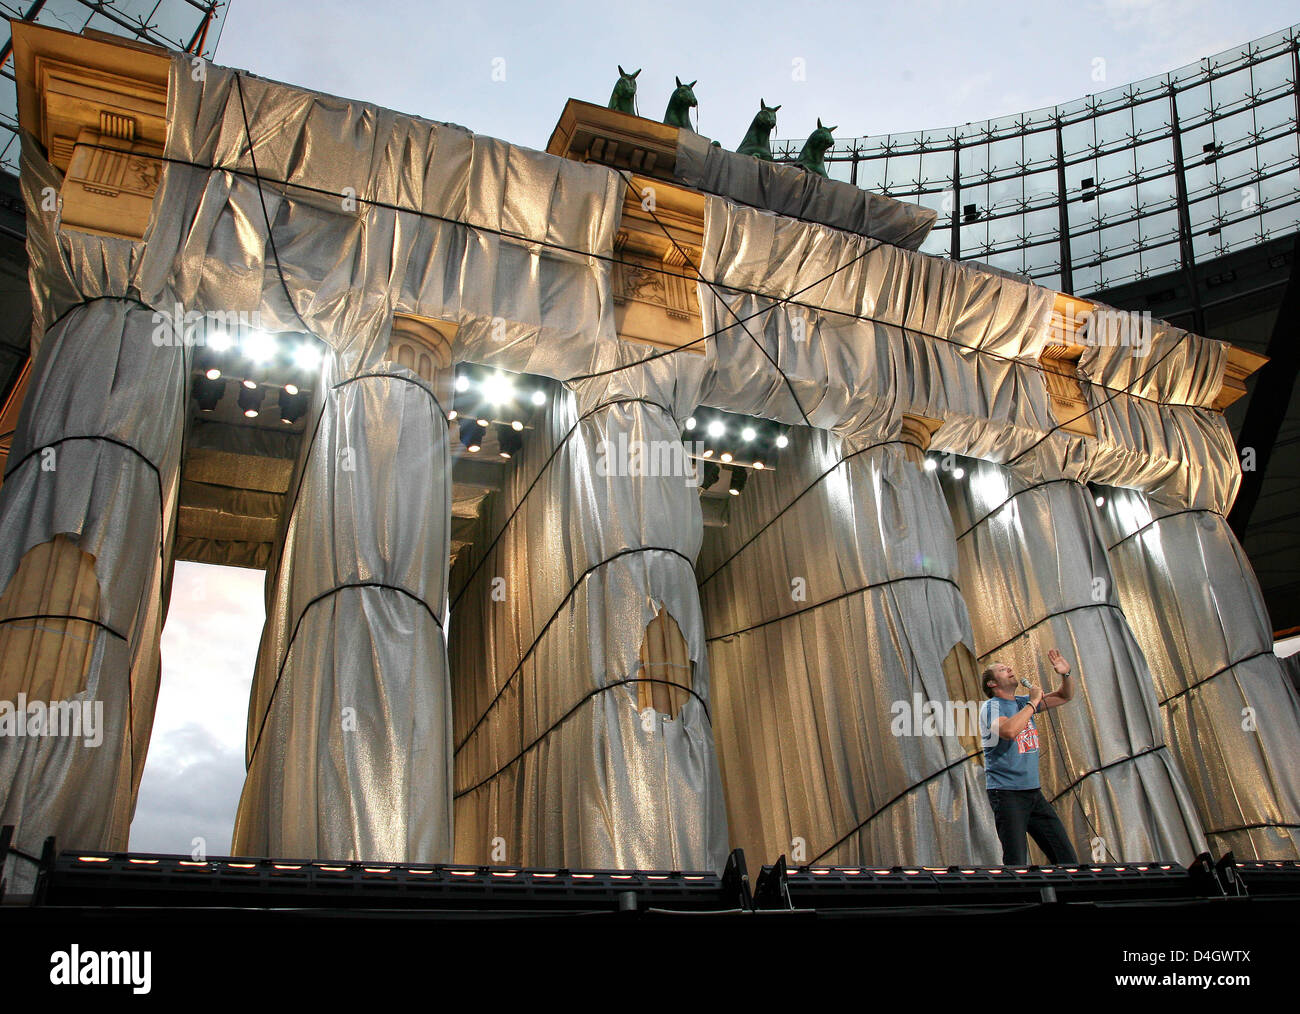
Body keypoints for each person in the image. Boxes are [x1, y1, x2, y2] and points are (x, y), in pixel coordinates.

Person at [978, 648, 1079, 866]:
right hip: (1006, 793)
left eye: (1007, 667)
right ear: (992, 683)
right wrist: (1033, 703)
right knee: (1016, 860)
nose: (1009, 669)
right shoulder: (991, 707)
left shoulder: (1022, 702)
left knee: (1065, 857)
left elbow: (1065, 696)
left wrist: (1066, 675)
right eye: (1002, 670)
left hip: (1033, 792)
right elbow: (1008, 731)